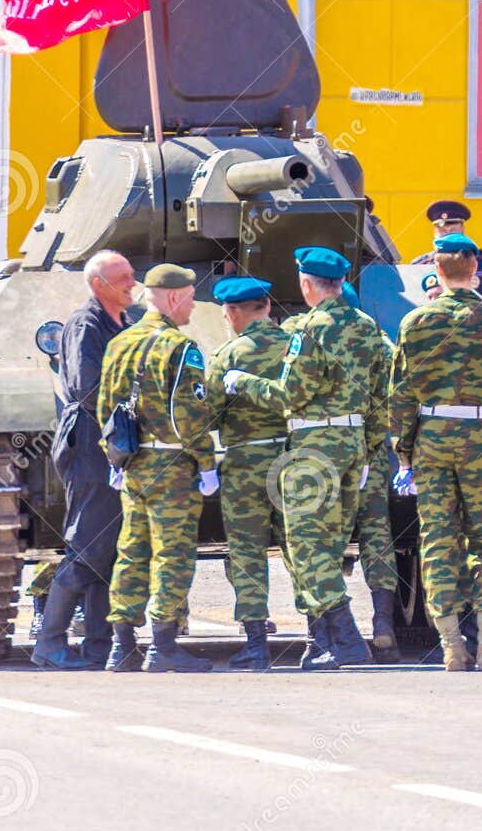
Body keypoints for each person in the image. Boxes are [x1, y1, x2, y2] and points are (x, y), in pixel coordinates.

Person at [222, 247, 380, 668]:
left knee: (309, 549)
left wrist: (243, 382)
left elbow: (291, 395)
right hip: (353, 444)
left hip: (313, 448)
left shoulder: (310, 330)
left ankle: (346, 642)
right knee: (329, 547)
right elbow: (383, 396)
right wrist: (370, 448)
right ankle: (326, 643)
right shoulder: (366, 326)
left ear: (307, 286)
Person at [391, 232, 482, 670]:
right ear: (475, 271)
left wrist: (405, 454)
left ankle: (451, 646)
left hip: (432, 438)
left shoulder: (416, 323)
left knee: (438, 540)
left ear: (437, 272)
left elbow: (401, 394)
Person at [97, 263, 219, 674]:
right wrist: (206, 462)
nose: (192, 306)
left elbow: (105, 409)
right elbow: (189, 414)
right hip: (171, 463)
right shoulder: (180, 347)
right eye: (189, 296)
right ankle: (163, 645)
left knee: (132, 550)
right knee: (172, 552)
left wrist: (114, 457)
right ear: (171, 297)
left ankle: (122, 645)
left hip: (133, 463)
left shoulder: (120, 343)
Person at [33, 250, 135, 670]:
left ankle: (98, 643)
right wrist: (136, 399)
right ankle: (49, 644)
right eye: (123, 277)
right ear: (99, 285)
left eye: (132, 274)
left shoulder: (124, 322)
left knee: (107, 548)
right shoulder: (85, 325)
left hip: (114, 441)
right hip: (92, 441)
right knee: (87, 545)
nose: (133, 282)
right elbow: (86, 387)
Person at [204, 277, 290, 671]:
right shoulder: (295, 347)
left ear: (233, 312)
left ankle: (257, 646)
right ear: (268, 306)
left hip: (244, 465)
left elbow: (211, 414)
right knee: (302, 549)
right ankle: (324, 640)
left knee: (248, 555)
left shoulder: (228, 355)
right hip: (295, 463)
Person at [340, 280, 400, 661]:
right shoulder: (380, 342)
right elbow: (397, 391)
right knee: (377, 533)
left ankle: (337, 631)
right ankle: (384, 624)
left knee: (326, 537)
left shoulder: (310, 335)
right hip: (372, 450)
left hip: (324, 454)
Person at [411, 200, 482, 310]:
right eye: (442, 230)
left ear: (462, 229)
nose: (447, 234)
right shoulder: (420, 265)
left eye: (452, 230)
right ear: (434, 232)